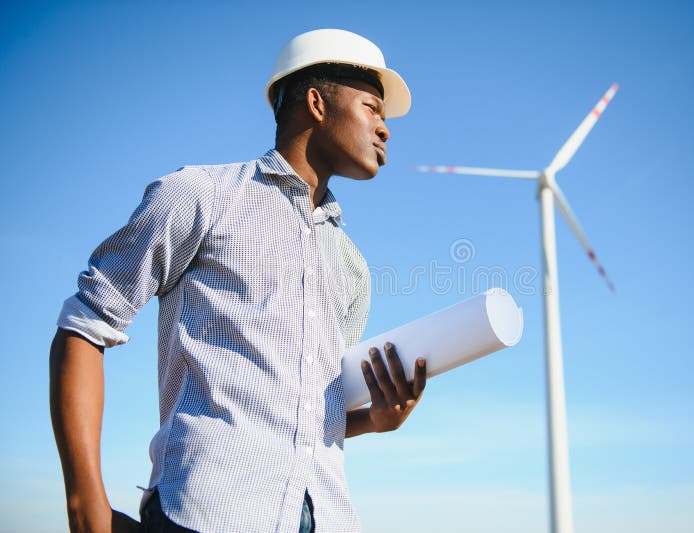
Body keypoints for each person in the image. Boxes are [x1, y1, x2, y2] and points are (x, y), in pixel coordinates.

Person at [49, 28, 426, 533]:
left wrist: (375, 420)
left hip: (328, 518)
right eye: (371, 107)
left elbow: (311, 414)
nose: (386, 129)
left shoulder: (351, 265)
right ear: (316, 103)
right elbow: (84, 323)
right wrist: (84, 504)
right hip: (204, 513)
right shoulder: (200, 196)